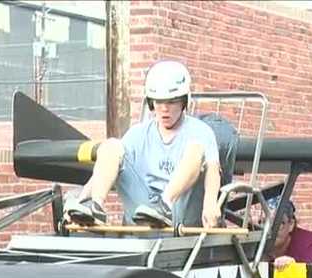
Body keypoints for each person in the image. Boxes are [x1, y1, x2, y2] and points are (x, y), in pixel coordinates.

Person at [63, 60, 223, 229]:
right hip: (143, 211)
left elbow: (213, 169)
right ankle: (95, 207)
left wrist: (211, 203)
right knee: (111, 146)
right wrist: (82, 200)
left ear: (184, 101)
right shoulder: (138, 133)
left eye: (171, 102)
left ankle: (164, 207)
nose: (164, 109)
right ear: (150, 102)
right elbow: (106, 167)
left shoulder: (201, 131)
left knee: (196, 148)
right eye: (158, 102)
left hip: (179, 210)